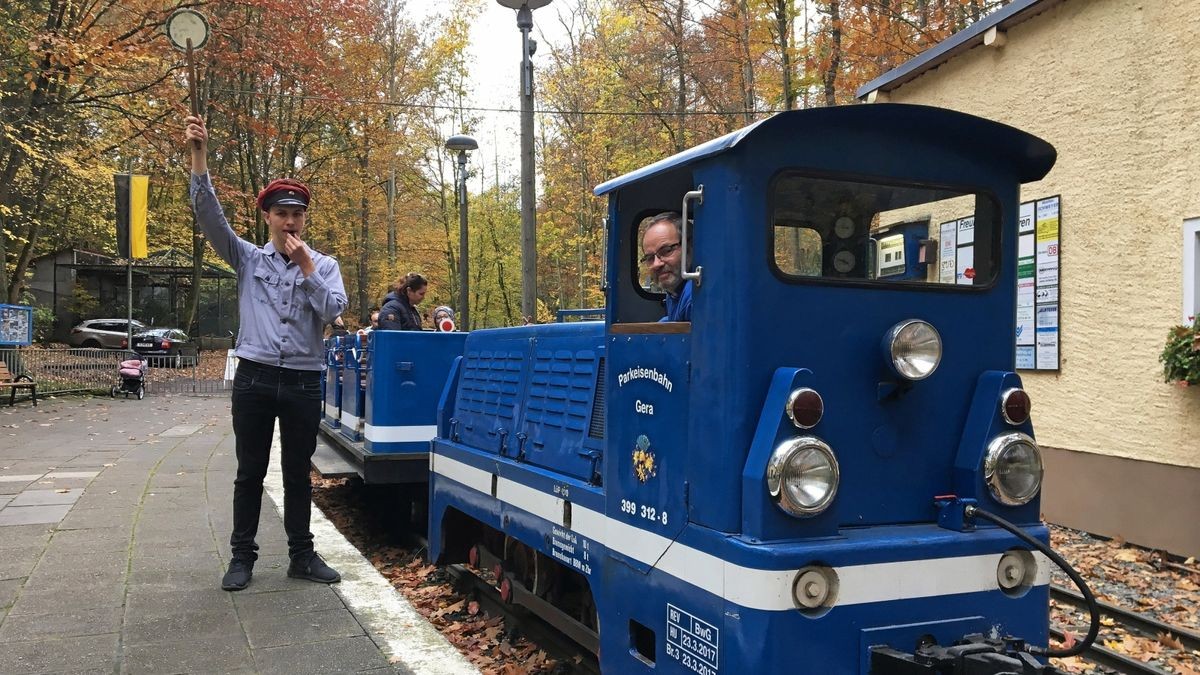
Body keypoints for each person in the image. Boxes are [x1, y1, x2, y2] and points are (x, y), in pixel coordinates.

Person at [184, 114, 347, 592]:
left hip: (302, 380)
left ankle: (302, 555)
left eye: (297, 213)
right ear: (268, 217)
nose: (290, 220)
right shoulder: (247, 259)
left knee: (298, 472)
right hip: (254, 378)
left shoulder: (326, 265)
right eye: (281, 213)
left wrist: (306, 267)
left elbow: (335, 310)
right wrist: (199, 156)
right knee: (249, 471)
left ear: (304, 217)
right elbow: (210, 216)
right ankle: (242, 558)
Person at [640, 211, 693, 322]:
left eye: (666, 251)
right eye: (650, 258)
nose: (656, 264)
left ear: (689, 246)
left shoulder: (694, 297)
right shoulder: (674, 291)